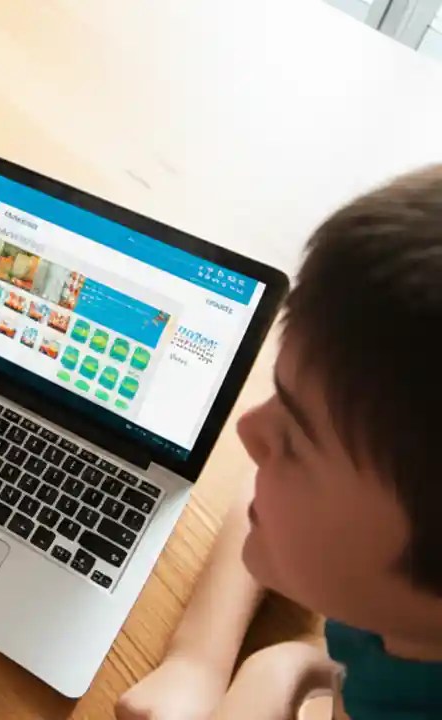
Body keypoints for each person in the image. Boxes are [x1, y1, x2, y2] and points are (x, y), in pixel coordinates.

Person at [116, 165, 442, 720]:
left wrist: (264, 678)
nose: (247, 431)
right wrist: (199, 661)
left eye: (294, 441)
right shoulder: (399, 606)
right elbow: (262, 495)